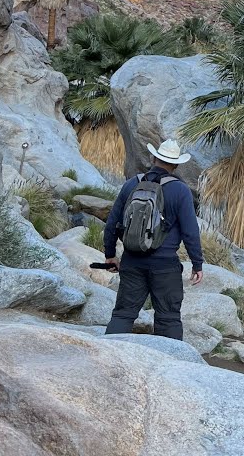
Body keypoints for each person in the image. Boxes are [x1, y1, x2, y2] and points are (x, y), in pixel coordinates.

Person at [103, 139, 204, 340]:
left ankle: (105, 355)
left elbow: (112, 223)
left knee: (123, 313)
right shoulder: (180, 190)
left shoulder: (132, 184)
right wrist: (197, 264)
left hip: (132, 261)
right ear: (176, 165)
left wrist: (110, 255)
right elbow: (190, 232)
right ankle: (171, 364)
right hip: (165, 266)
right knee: (168, 317)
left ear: (154, 158)